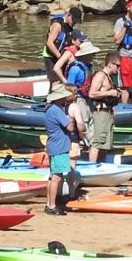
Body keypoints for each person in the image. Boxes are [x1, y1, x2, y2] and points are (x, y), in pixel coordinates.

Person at [43, 86, 76, 215]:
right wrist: (71, 119)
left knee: (52, 176)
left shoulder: (50, 109)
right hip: (59, 146)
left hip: (54, 144)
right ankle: (52, 205)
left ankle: (49, 204)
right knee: (57, 177)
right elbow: (70, 127)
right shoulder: (57, 110)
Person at [86, 52, 121, 163]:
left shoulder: (109, 77)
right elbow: (92, 94)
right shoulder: (100, 75)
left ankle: (101, 165)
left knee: (105, 143)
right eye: (118, 65)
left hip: (108, 112)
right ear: (110, 64)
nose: (119, 69)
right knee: (98, 142)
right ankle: (92, 167)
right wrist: (110, 92)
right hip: (100, 112)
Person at [43, 6, 83, 76]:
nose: (74, 23)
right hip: (51, 56)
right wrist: (60, 57)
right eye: (73, 20)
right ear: (68, 15)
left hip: (62, 56)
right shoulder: (57, 25)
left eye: (76, 21)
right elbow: (49, 43)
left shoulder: (70, 26)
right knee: (55, 79)